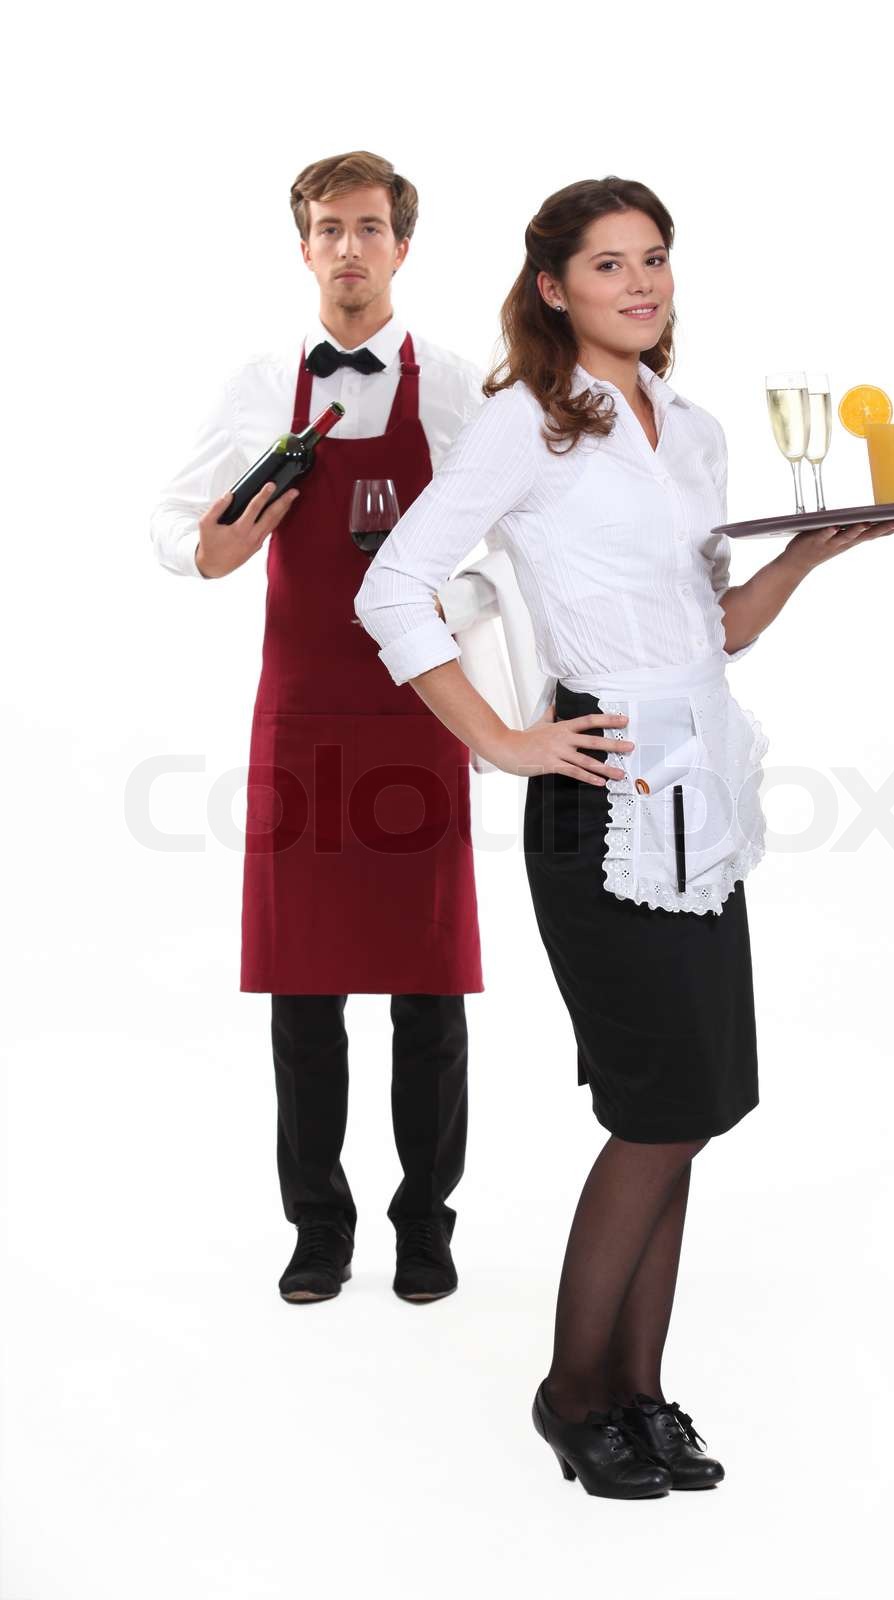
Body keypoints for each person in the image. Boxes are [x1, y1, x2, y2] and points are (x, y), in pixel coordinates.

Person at [354, 175, 894, 1497]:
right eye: (607, 264)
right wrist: (501, 738)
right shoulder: (523, 424)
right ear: (551, 288)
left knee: (695, 1107)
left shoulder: (696, 429)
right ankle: (571, 1393)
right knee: (655, 1110)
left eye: (652, 257)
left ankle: (640, 1394)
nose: (639, 282)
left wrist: (803, 558)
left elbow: (707, 629)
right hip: (598, 788)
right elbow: (394, 586)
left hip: (696, 786)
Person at [150, 150, 488, 1307]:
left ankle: (425, 1222)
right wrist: (207, 549)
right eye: (330, 228)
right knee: (304, 987)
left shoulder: (457, 387)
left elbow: (516, 538)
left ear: (403, 246)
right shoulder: (258, 383)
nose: (349, 246)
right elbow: (173, 519)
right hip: (299, 716)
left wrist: (459, 601)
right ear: (304, 247)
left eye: (369, 227)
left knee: (427, 986)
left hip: (420, 708)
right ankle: (317, 1227)